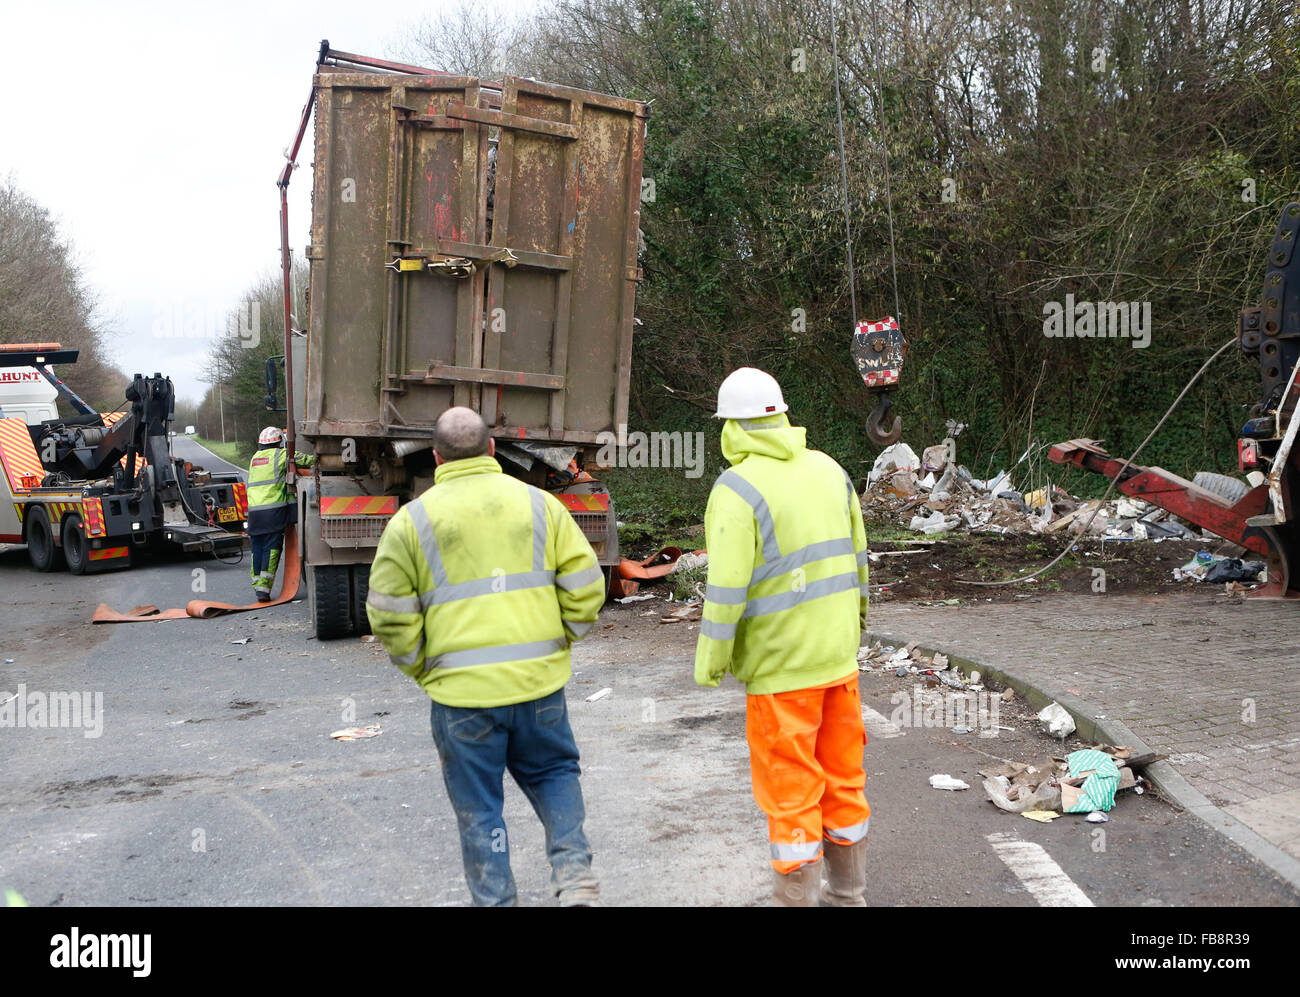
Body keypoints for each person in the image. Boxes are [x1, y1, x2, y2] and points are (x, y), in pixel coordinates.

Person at [365, 407, 605, 907]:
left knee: (479, 809)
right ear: (493, 450)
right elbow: (586, 587)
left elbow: (388, 613)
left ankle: (496, 901)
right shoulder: (541, 506)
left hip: (462, 699)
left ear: (436, 458)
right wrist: (561, 640)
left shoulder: (412, 521)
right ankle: (573, 871)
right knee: (555, 773)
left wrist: (421, 666)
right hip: (538, 687)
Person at [694, 368, 872, 906]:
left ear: (732, 429)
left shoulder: (737, 489)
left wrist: (712, 660)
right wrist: (854, 625)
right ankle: (848, 897)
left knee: (791, 792)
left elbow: (726, 591)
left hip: (781, 674)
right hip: (838, 663)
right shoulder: (830, 470)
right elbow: (859, 561)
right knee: (844, 783)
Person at [245, 426, 314, 601]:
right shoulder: (282, 455)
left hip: (254, 514)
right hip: (273, 513)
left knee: (257, 549)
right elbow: (307, 460)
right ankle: (264, 590)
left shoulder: (254, 459)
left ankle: (257, 585)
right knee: (271, 548)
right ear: (279, 442)